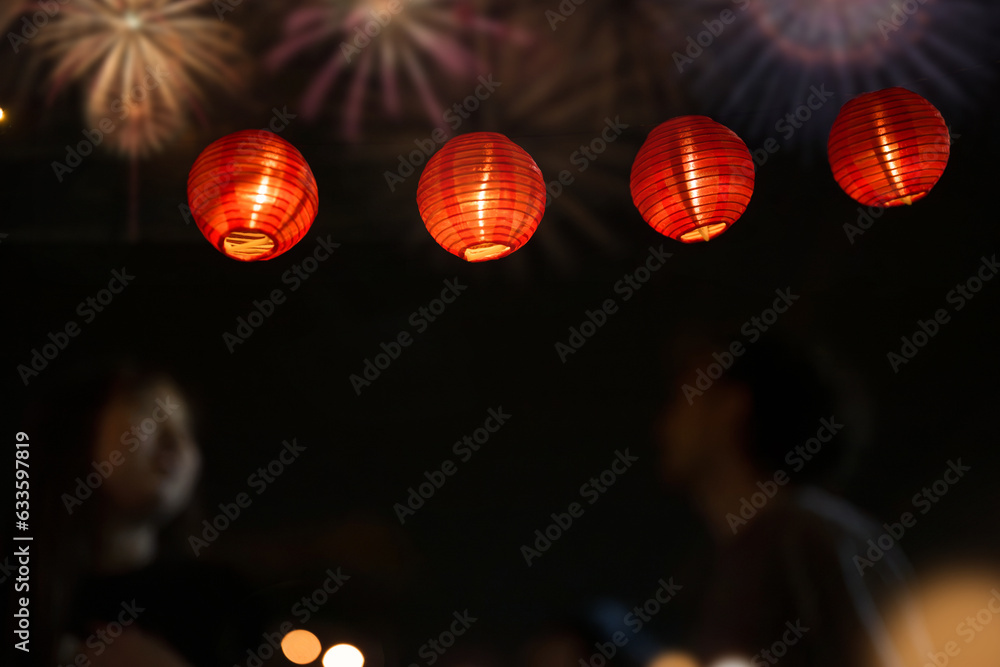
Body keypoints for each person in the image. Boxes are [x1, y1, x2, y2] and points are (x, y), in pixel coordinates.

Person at [655, 336, 930, 667]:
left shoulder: (787, 539)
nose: (664, 423)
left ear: (732, 406)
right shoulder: (828, 533)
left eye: (685, 396)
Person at [31, 358, 264, 666]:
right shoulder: (22, 596)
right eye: (148, 415)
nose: (176, 443)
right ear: (79, 428)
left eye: (187, 428)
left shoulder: (225, 600)